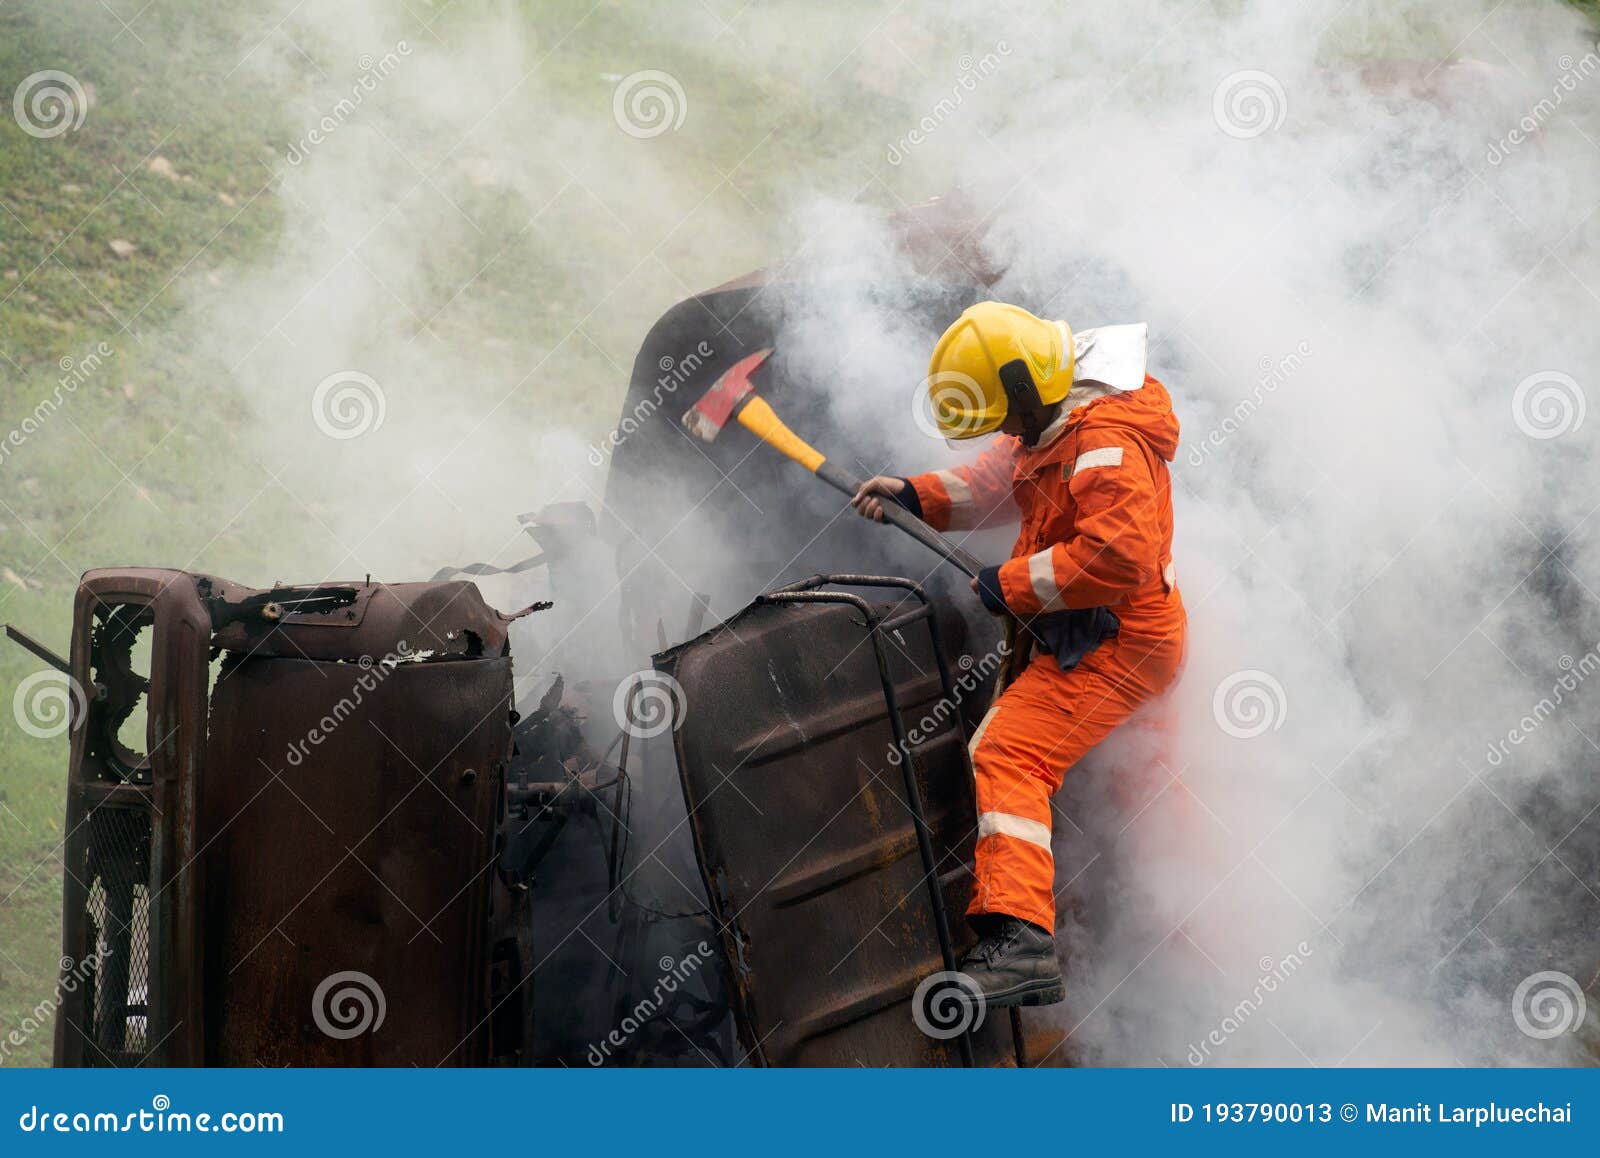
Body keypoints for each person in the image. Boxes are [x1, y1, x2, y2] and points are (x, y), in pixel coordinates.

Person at [852, 301, 1186, 1008]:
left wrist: (1006, 584)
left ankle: (1023, 945)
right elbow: (994, 482)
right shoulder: (1051, 408)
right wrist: (915, 495)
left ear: (1025, 388)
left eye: (1008, 416)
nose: (1006, 431)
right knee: (1017, 751)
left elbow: (1117, 558)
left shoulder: (1107, 443)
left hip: (1120, 643)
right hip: (1083, 628)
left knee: (1008, 754)